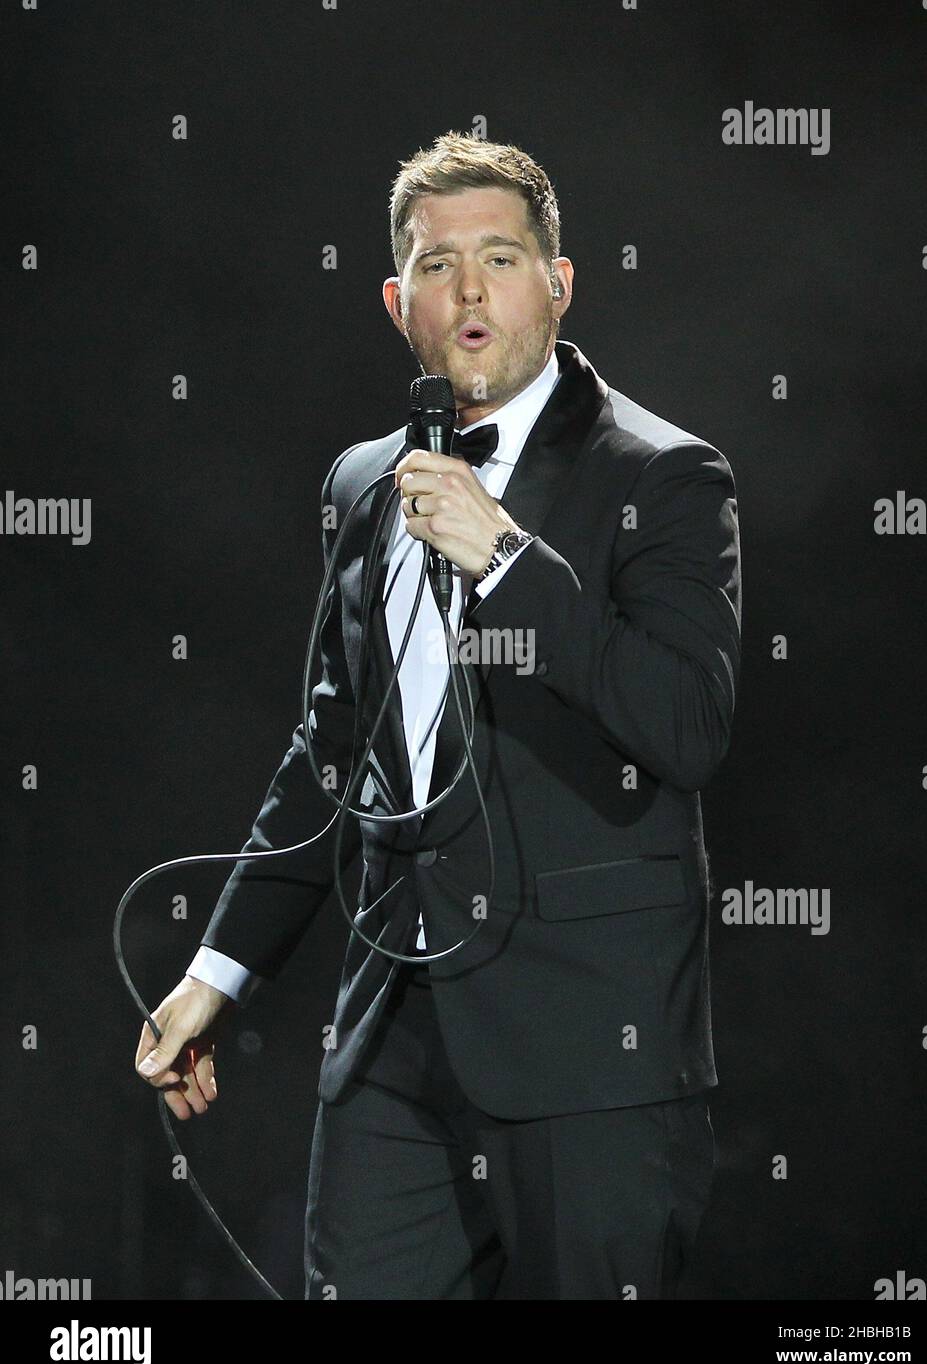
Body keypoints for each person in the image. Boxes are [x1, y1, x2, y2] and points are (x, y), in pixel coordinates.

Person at [135, 130, 742, 1300]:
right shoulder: (362, 483)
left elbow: (687, 724)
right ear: (395, 298)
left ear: (558, 284)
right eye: (436, 263)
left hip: (590, 1051)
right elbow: (330, 759)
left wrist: (510, 558)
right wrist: (220, 970)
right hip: (394, 1042)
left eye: (501, 259)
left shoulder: (664, 474)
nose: (468, 289)